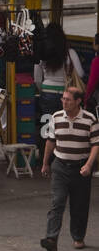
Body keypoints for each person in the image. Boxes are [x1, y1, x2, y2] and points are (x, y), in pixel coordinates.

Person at [40, 86, 98, 251]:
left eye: (68, 99)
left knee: (79, 205)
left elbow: (95, 145)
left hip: (80, 168)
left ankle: (78, 237)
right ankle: (51, 238)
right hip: (60, 165)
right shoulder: (56, 117)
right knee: (57, 202)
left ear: (78, 101)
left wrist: (88, 165)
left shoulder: (90, 119)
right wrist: (45, 163)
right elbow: (50, 142)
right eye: (63, 99)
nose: (64, 102)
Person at [35, 22, 85, 158]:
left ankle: (47, 158)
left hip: (47, 94)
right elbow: (80, 74)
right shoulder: (70, 53)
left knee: (48, 126)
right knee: (66, 126)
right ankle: (64, 156)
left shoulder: (42, 54)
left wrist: (43, 89)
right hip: (66, 95)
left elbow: (37, 78)